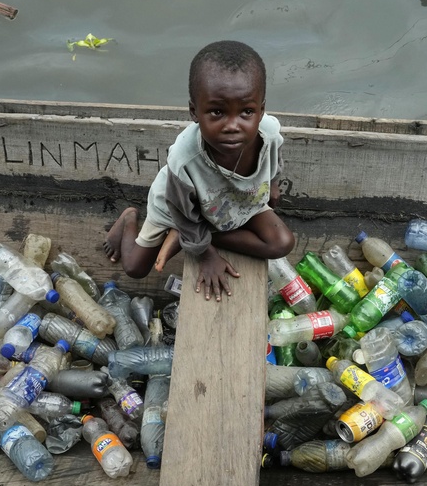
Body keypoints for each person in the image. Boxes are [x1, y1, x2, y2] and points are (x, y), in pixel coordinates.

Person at [103, 40, 295, 301]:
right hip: (180, 206)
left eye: (247, 112)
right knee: (135, 268)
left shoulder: (269, 133)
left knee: (282, 244)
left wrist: (272, 182)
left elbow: (276, 157)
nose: (232, 126)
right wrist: (206, 254)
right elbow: (183, 215)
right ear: (194, 111)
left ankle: (190, 238)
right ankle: (129, 218)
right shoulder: (183, 160)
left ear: (261, 110)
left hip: (234, 200)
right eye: (217, 112)